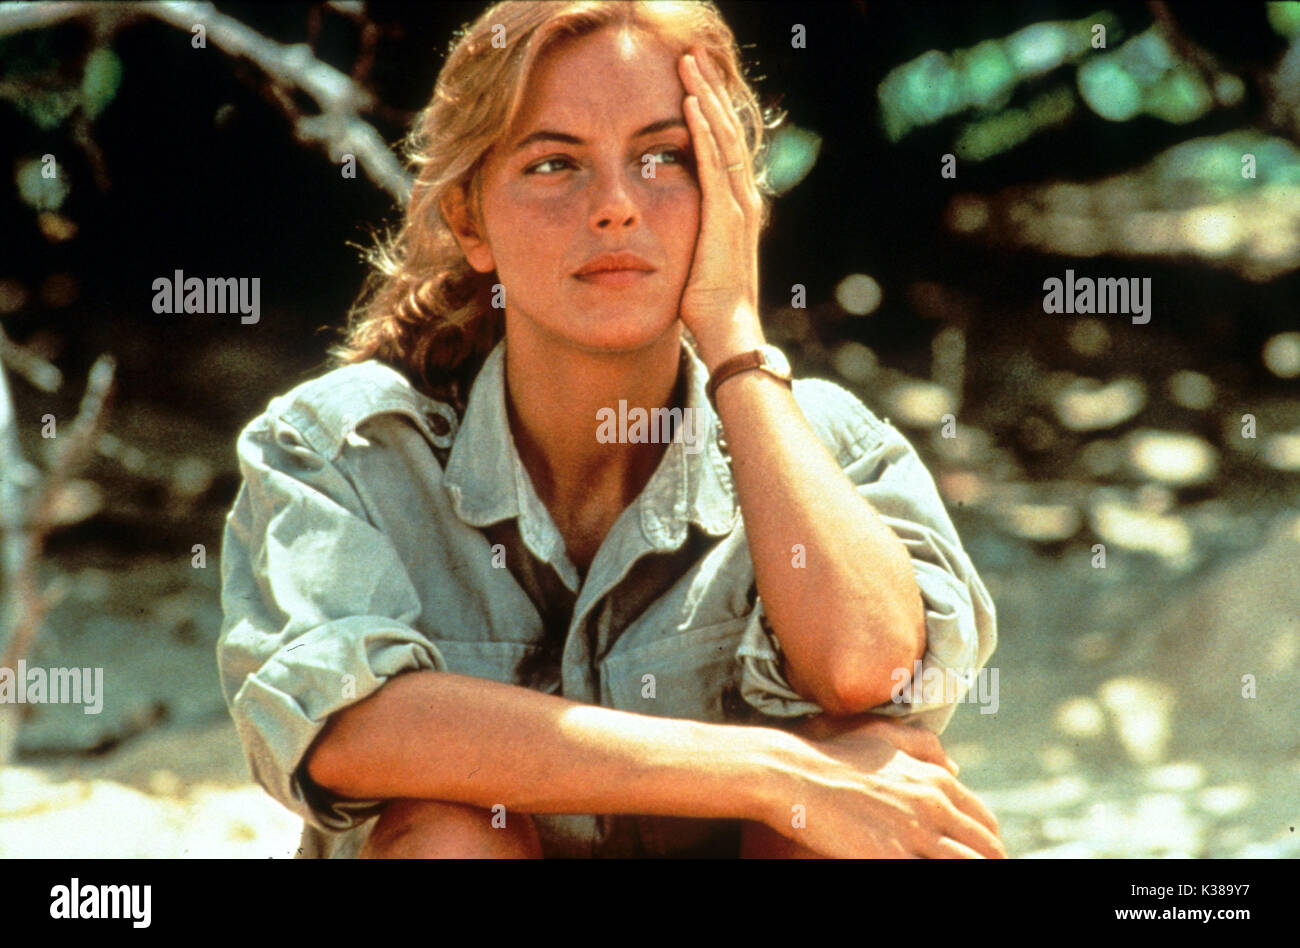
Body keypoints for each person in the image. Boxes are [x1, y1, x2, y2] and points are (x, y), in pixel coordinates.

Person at [217, 0, 1003, 859]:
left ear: (729, 196)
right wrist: (770, 772)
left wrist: (737, 340)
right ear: (468, 219)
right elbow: (351, 728)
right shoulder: (344, 450)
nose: (617, 207)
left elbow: (868, 671)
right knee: (446, 834)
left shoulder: (821, 441)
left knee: (860, 770)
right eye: (556, 164)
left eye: (664, 158)